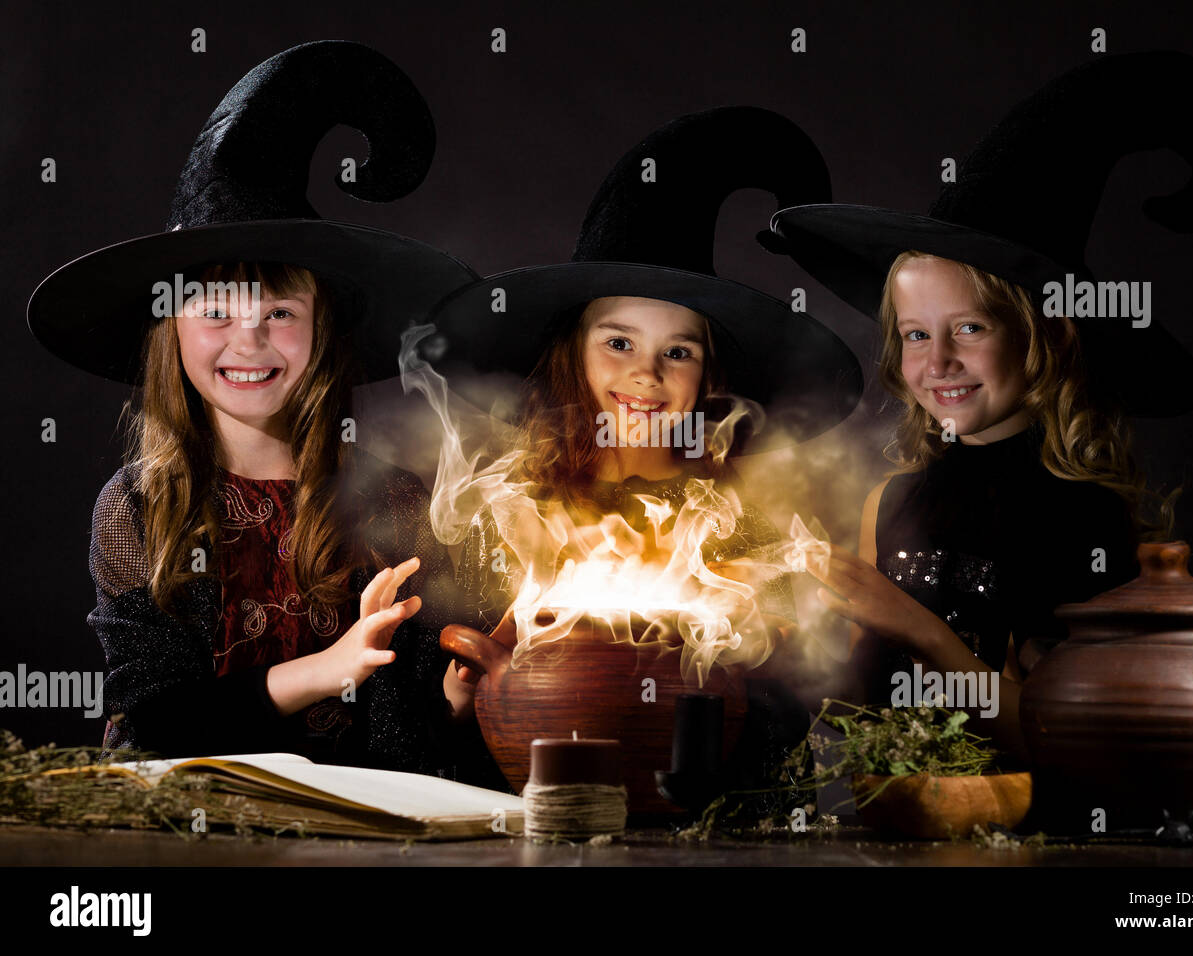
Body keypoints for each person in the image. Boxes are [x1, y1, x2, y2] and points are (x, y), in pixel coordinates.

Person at [769, 51, 1193, 760]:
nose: (937, 362)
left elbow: (1056, 731)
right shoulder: (890, 500)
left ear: (1048, 336)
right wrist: (786, 642)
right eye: (915, 334)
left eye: (969, 328)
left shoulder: (1080, 516)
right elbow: (858, 704)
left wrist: (920, 628)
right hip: (887, 826)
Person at [27, 42, 479, 773]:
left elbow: (405, 746)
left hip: (348, 836)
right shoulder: (141, 509)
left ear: (322, 327)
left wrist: (457, 698)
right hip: (179, 828)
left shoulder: (394, 502)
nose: (250, 341)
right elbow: (159, 724)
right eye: (215, 311)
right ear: (170, 327)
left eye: (279, 312)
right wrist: (331, 667)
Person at [422, 107, 863, 798]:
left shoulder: (748, 530)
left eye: (678, 352)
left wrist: (748, 665)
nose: (646, 375)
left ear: (711, 379)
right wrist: (460, 700)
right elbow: (436, 755)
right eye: (619, 342)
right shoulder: (501, 518)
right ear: (574, 352)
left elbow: (785, 748)